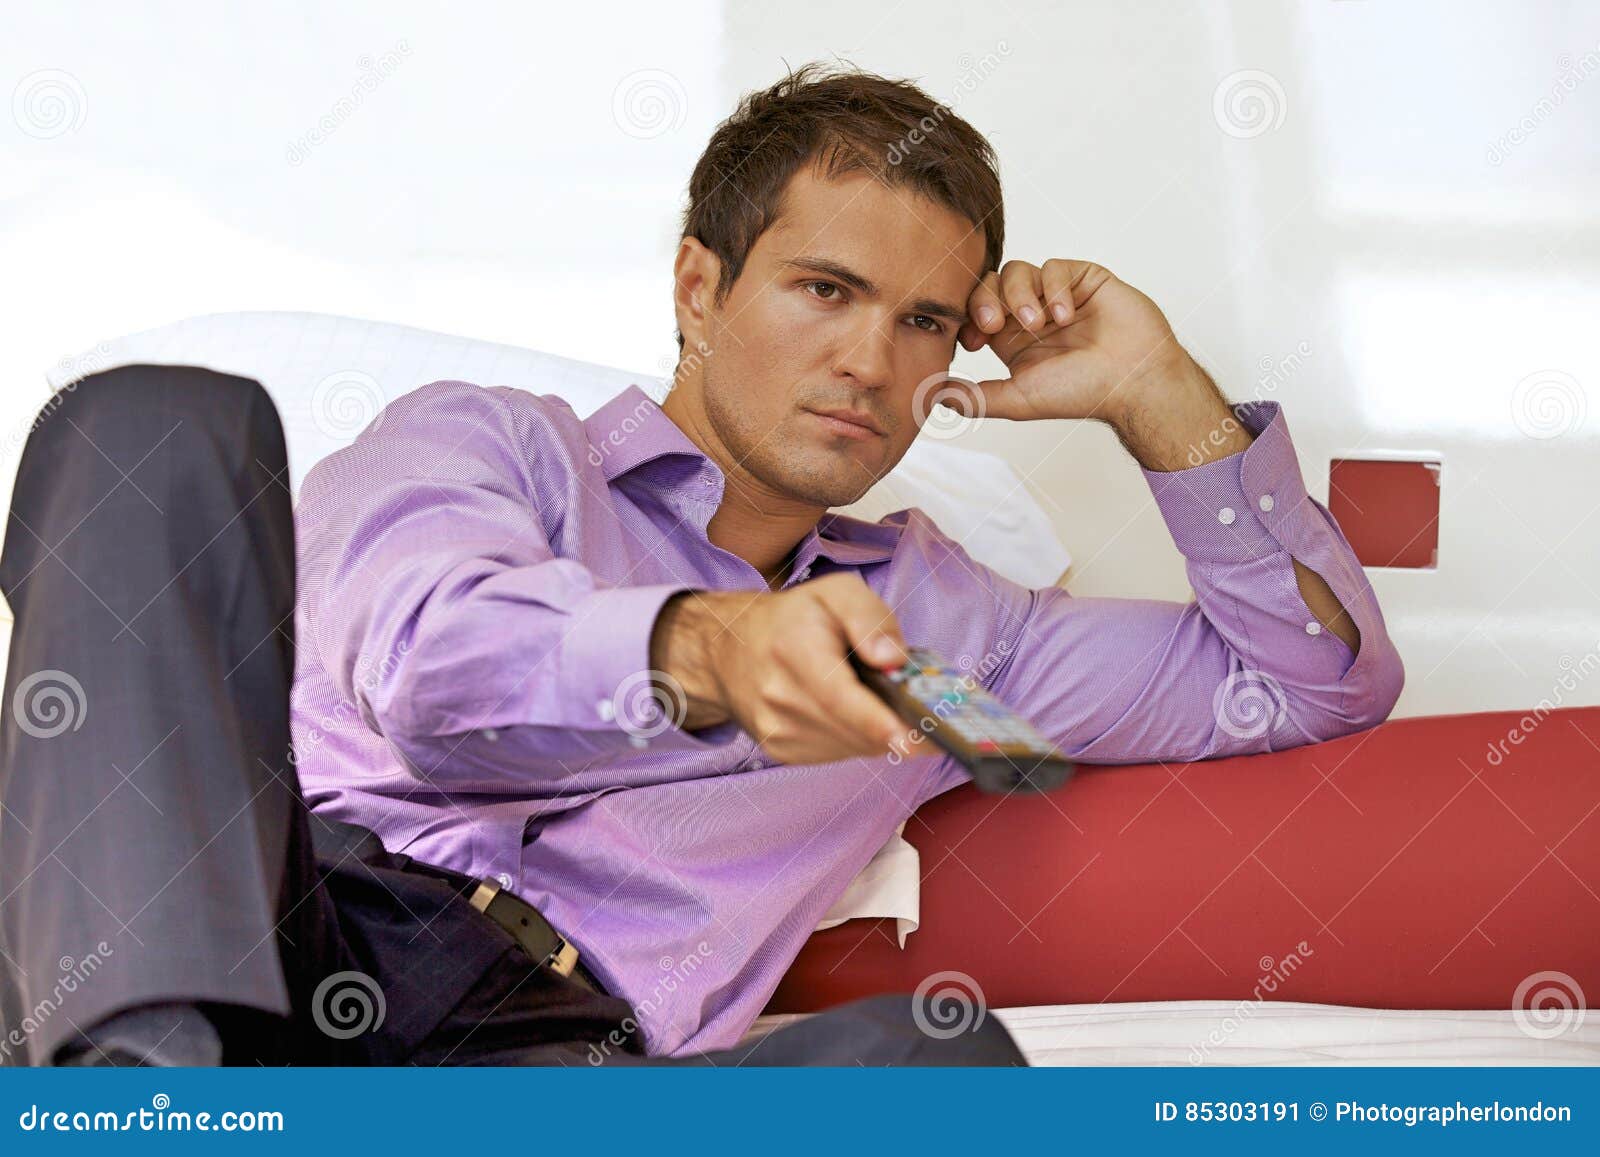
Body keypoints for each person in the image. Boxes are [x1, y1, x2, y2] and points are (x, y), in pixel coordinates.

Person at [0, 64, 1401, 1067]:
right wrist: (706, 652)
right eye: (827, 291)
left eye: (923, 320)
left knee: (935, 1064)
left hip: (572, 1064)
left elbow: (1305, 685)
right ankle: (146, 1096)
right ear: (697, 290)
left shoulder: (949, 626)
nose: (871, 360)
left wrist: (1159, 389)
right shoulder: (483, 450)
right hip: (280, 938)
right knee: (152, 424)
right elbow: (427, 669)